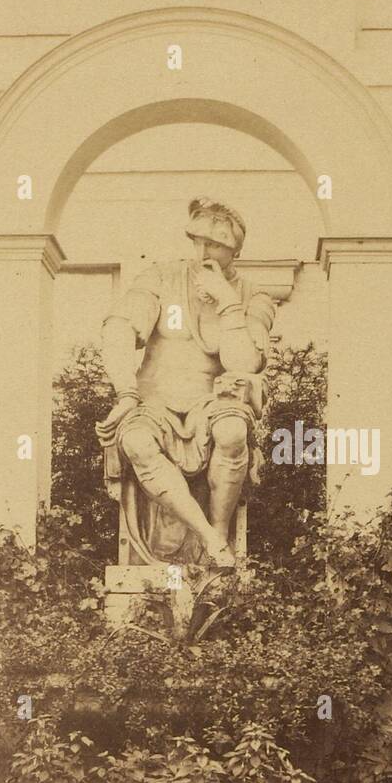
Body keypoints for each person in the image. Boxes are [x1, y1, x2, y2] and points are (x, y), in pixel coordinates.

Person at [96, 198, 275, 567]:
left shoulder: (254, 296)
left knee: (232, 431)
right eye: (197, 240)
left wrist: (227, 302)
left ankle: (219, 532)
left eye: (215, 244)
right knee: (135, 441)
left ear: (235, 250)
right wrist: (126, 393)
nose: (202, 250)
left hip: (211, 405)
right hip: (155, 403)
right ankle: (210, 539)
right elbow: (119, 326)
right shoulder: (161, 277)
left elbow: (243, 363)